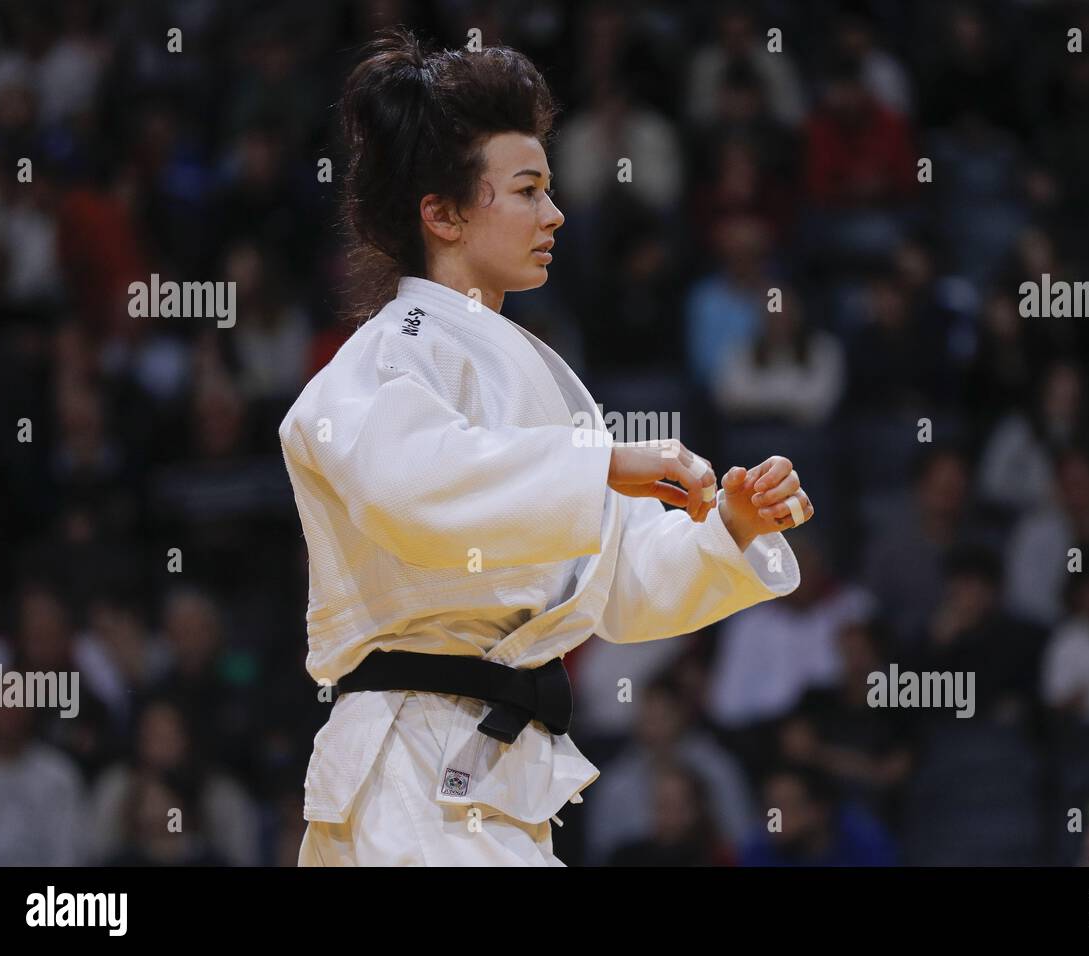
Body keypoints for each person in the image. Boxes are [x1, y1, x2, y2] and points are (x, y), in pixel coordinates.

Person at [278, 30, 815, 867]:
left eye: (550, 190)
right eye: (527, 191)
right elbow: (409, 492)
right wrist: (603, 463)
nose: (554, 214)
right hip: (411, 768)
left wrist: (728, 531)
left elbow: (611, 586)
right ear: (444, 212)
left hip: (481, 779)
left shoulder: (531, 373)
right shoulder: (394, 349)